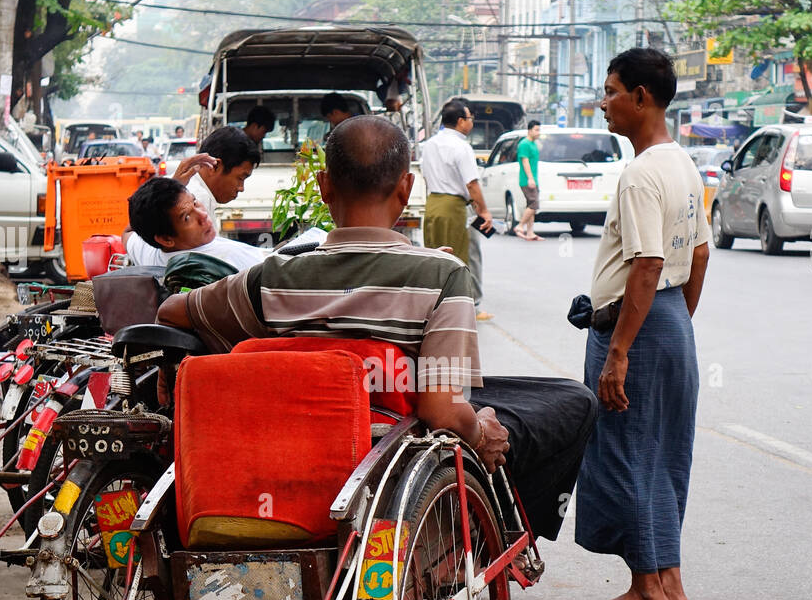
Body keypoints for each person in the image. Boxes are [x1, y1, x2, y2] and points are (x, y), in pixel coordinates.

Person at [158, 115, 596, 542]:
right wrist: (482, 431)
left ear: (324, 186)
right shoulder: (440, 274)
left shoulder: (271, 276)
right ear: (406, 188)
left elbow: (174, 310)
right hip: (394, 438)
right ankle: (490, 543)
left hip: (293, 431)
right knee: (570, 399)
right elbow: (442, 410)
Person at [571, 47, 710, 600]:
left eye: (610, 91)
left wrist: (623, 350)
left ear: (641, 98)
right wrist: (675, 325)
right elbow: (699, 254)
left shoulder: (640, 174)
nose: (603, 103)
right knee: (663, 458)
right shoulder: (682, 164)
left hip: (640, 326)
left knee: (626, 456)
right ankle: (670, 585)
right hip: (670, 323)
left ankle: (646, 592)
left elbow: (647, 264)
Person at [419, 101, 496, 321]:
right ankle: (467, 307)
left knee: (435, 256)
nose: (472, 122)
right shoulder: (461, 146)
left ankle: (434, 306)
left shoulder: (430, 144)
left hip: (433, 203)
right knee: (461, 257)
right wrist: (485, 212)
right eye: (471, 118)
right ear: (461, 121)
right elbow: (472, 184)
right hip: (453, 206)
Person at [124, 175, 266, 271]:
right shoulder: (225, 259)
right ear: (166, 239)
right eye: (186, 217)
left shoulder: (151, 253)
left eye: (195, 202)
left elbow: (127, 233)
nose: (203, 215)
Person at [173, 126, 261, 229]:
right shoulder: (197, 199)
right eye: (240, 178)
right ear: (215, 166)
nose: (241, 188)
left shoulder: (191, 189)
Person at [514, 120, 543, 240]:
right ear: (529, 130)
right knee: (534, 204)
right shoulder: (524, 144)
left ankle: (530, 232)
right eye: (536, 130)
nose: (538, 132)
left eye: (539, 130)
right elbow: (525, 162)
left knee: (531, 206)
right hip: (527, 180)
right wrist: (530, 179)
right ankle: (520, 226)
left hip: (533, 179)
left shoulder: (533, 144)